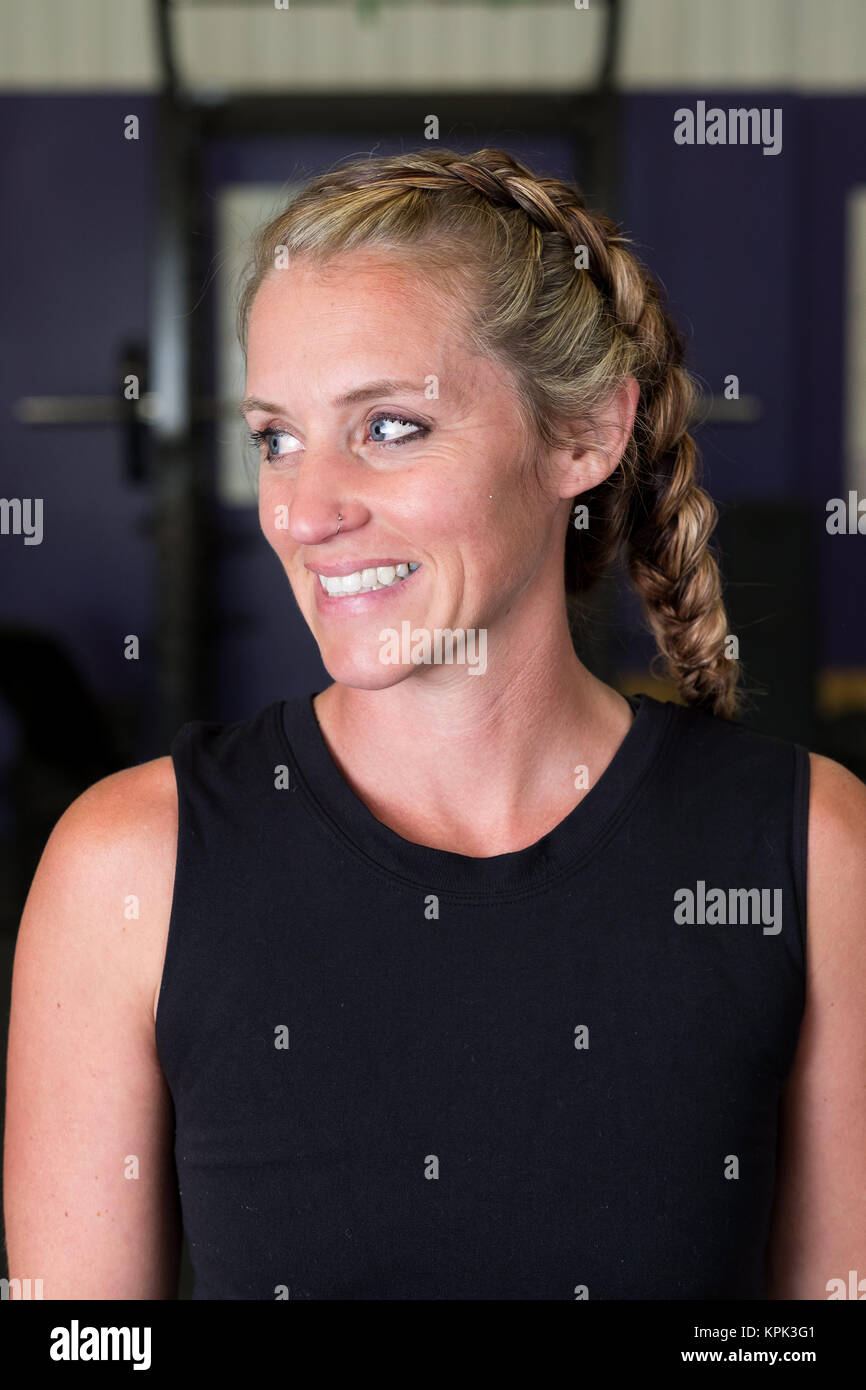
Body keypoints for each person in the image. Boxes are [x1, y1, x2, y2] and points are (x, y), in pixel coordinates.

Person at [4, 148, 865, 1300]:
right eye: (275, 437)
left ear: (582, 440)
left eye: (391, 427)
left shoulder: (809, 851)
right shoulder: (127, 869)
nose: (305, 512)